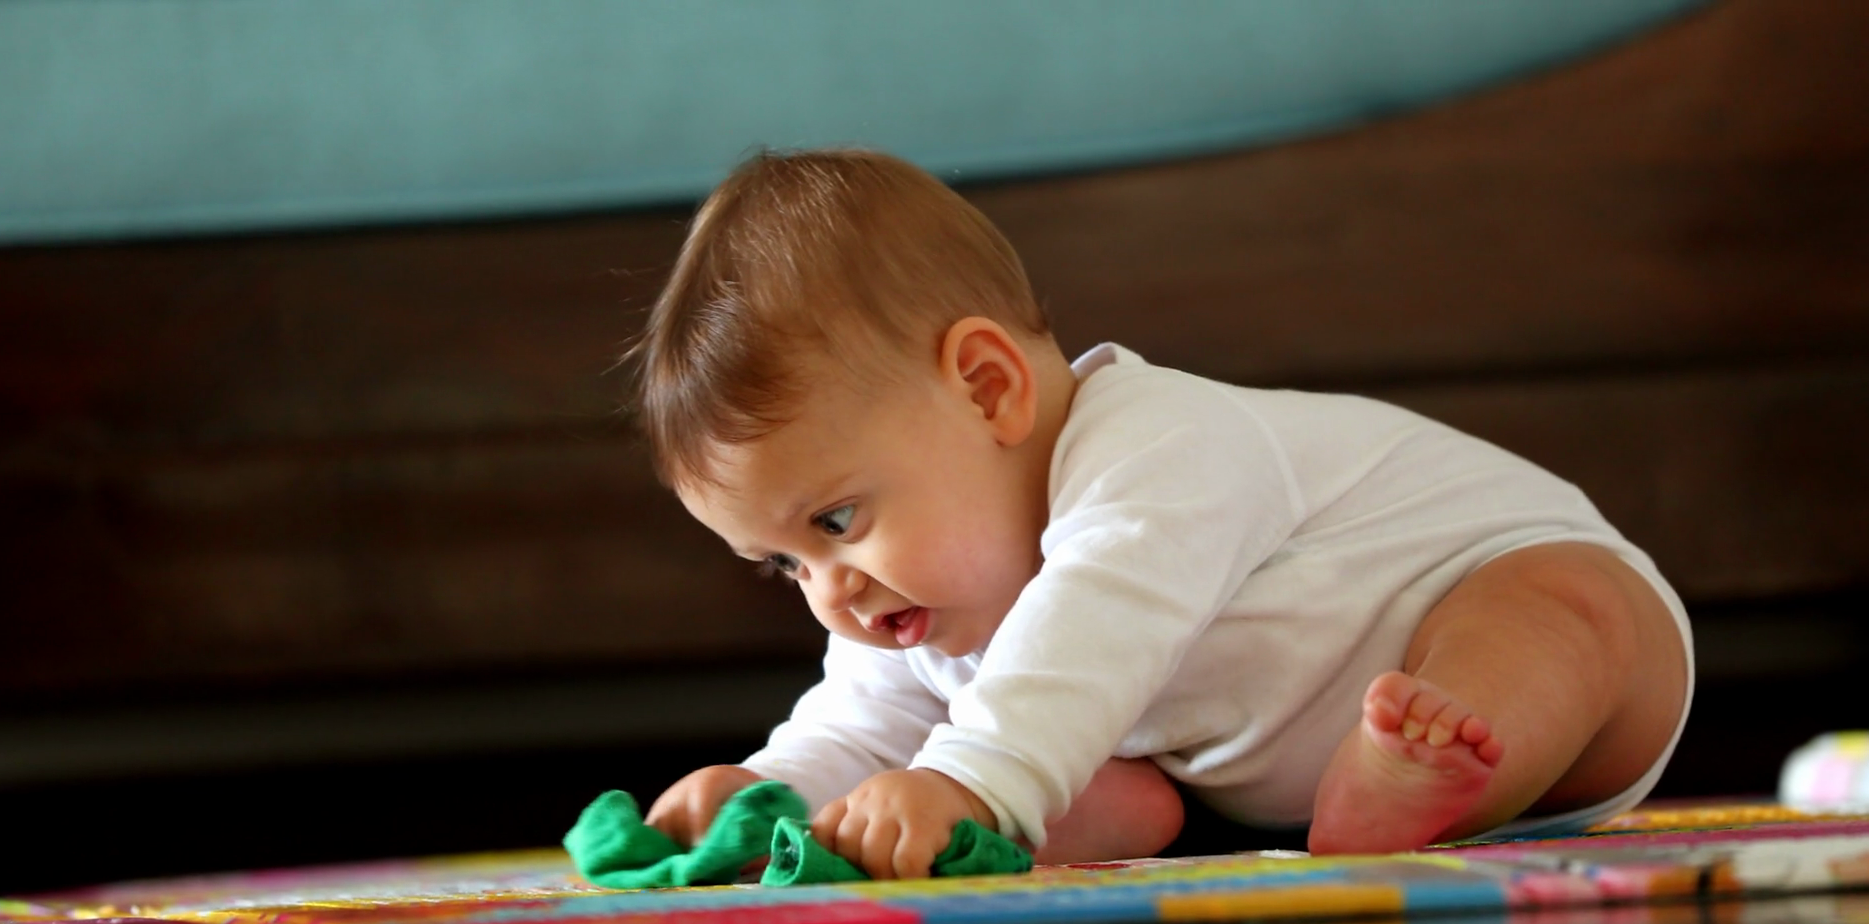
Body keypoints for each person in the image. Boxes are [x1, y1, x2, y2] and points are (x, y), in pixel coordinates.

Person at [626, 148, 1692, 879]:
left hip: (1515, 598)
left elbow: (1097, 617)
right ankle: (1354, 802)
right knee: (1060, 779)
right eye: (782, 566)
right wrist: (768, 791)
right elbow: (861, 719)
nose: (831, 593)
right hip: (1262, 784)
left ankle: (1412, 778)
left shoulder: (1156, 444)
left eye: (839, 520)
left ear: (990, 387)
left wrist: (968, 776)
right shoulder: (922, 599)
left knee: (1556, 614)